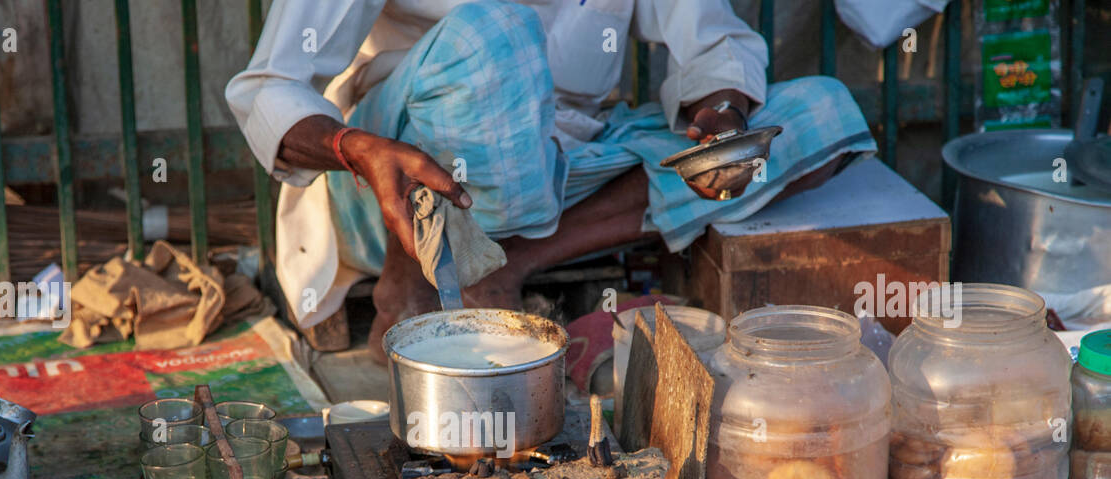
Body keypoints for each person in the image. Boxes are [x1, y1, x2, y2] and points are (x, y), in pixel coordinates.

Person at [227, 0, 876, 360]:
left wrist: (720, 113)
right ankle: (419, 268)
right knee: (495, 30)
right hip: (398, 180)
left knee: (815, 116)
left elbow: (715, 44)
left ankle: (504, 269)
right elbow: (269, 87)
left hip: (571, 160)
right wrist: (353, 146)